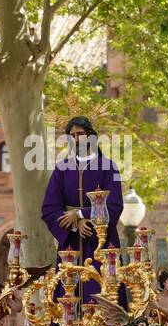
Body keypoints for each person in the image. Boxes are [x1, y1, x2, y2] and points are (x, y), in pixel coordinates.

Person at [40, 115, 124, 306]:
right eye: (71, 135)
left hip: (101, 244)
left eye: (80, 134)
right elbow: (49, 209)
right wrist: (76, 225)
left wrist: (80, 214)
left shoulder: (109, 167)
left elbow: (115, 205)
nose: (76, 139)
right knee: (69, 301)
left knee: (102, 297)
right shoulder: (61, 170)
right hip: (70, 245)